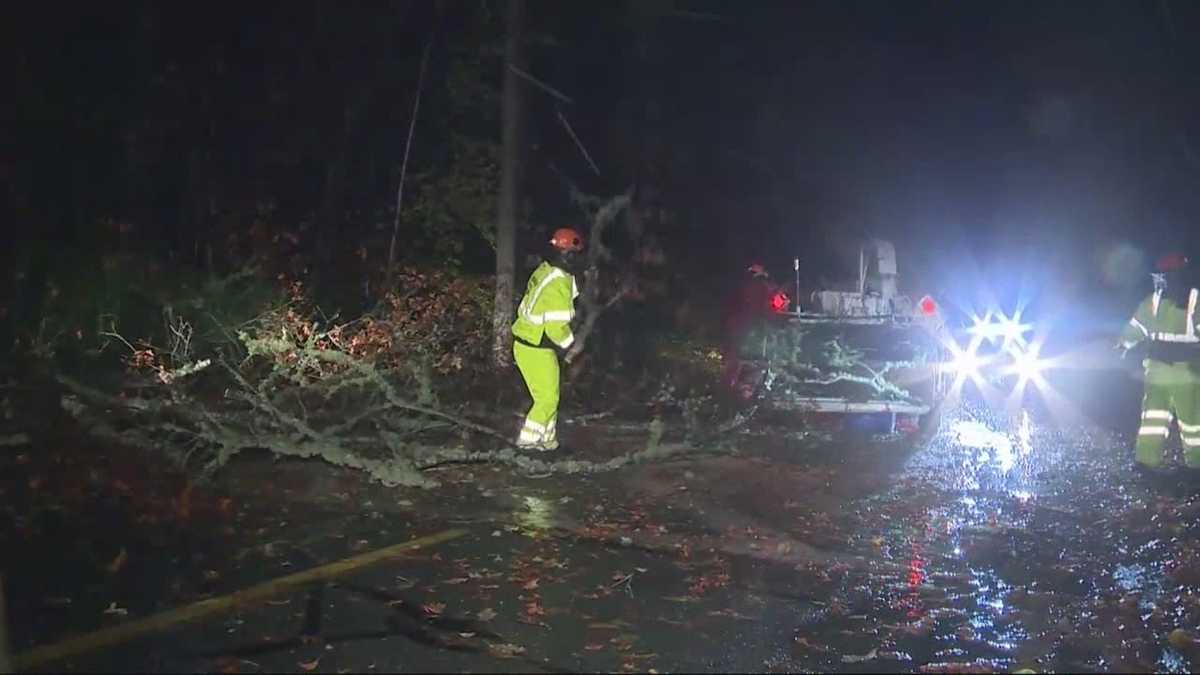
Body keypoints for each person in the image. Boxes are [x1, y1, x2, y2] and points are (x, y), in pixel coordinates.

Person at [1118, 252, 1200, 471]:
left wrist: (1122, 345)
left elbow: (1134, 329)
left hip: (1159, 373)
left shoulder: (1153, 301)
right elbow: (1137, 327)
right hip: (1187, 375)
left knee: (1153, 421)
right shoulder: (1194, 299)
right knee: (1193, 424)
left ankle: (1146, 461)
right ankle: (1196, 464)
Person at [511, 227, 585, 451]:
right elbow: (555, 327)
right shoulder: (558, 282)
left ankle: (548, 442)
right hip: (537, 347)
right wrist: (571, 345)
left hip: (528, 344)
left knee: (549, 396)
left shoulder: (545, 270)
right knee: (547, 399)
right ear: (569, 255)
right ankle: (528, 444)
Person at [721, 263, 789, 396]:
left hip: (752, 333)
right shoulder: (757, 288)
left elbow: (778, 307)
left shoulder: (752, 288)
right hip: (750, 333)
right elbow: (778, 308)